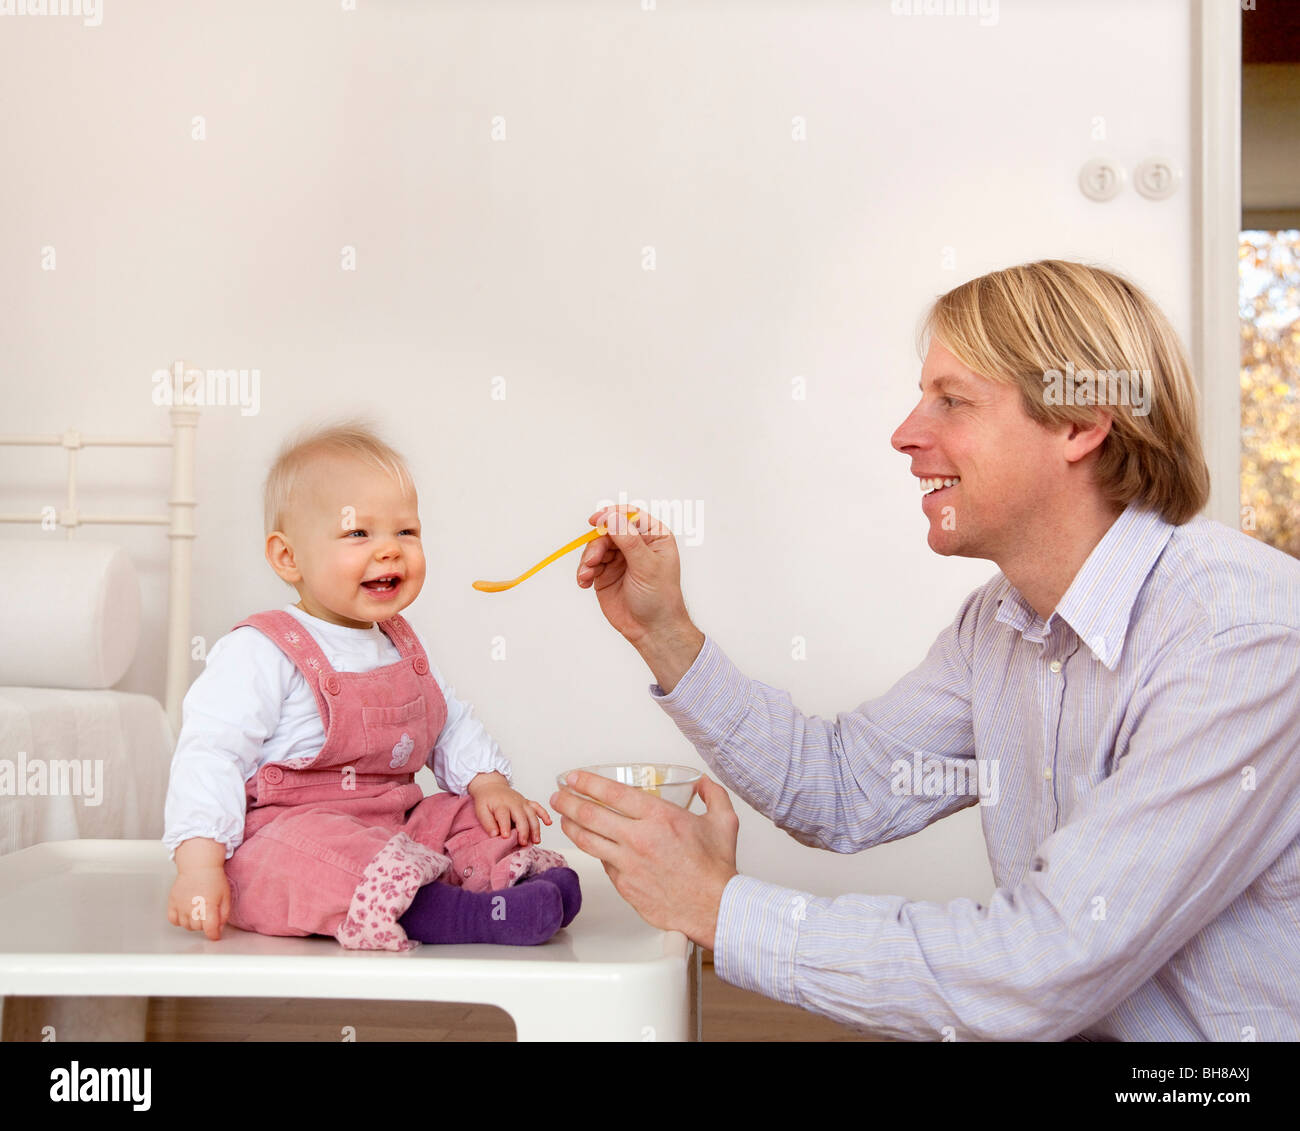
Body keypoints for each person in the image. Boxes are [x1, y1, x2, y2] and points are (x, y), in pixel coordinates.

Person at [551, 259, 1300, 1041]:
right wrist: (663, 630)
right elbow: (839, 788)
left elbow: (1043, 965)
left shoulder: (1243, 640)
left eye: (953, 400)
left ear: (1081, 423)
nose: (906, 434)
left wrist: (719, 907)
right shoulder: (1002, 624)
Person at [164, 421, 580, 950]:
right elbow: (210, 754)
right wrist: (199, 865)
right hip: (290, 831)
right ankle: (457, 914)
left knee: (460, 814)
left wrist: (488, 786)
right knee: (303, 859)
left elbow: (448, 721)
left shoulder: (400, 644)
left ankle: (508, 880)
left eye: (405, 532)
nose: (389, 551)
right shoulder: (261, 649)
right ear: (288, 557)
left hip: (394, 822)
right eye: (359, 533)